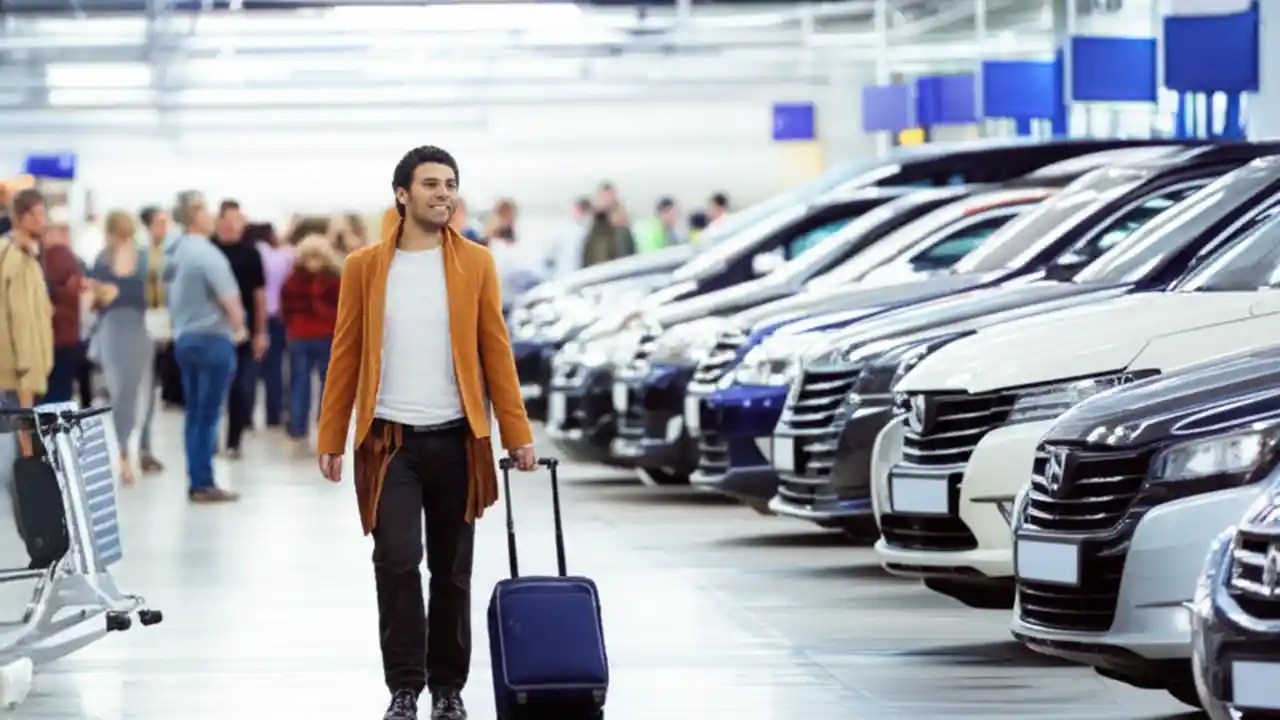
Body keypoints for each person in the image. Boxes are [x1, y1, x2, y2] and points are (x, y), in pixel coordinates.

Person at [315, 146, 538, 720]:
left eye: (451, 184)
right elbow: (345, 354)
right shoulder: (365, 267)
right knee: (395, 560)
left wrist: (516, 432)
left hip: (458, 440)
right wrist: (330, 435)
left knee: (452, 570)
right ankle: (404, 687)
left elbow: (497, 352)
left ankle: (448, 688)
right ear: (403, 194)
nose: (444, 193)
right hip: (389, 442)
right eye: (432, 184)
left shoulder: (477, 264)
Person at [164, 190, 244, 503]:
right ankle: (204, 482)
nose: (211, 216)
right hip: (213, 340)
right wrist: (240, 328)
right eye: (207, 211)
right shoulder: (208, 255)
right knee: (209, 414)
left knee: (194, 414)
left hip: (184, 338)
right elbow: (230, 302)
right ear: (196, 214)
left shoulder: (176, 253)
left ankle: (196, 477)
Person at [89, 211, 152, 485]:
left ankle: (138, 449)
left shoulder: (144, 259)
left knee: (140, 391)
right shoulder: (102, 260)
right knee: (122, 391)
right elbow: (95, 301)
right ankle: (124, 451)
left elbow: (152, 296)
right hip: (114, 329)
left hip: (138, 328)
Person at [0, 189, 54, 463]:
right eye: (39, 214)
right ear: (22, 217)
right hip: (14, 373)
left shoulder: (27, 256)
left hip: (20, 371)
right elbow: (19, 318)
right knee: (12, 451)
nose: (44, 220)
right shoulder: (15, 257)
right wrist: (26, 372)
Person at [212, 200, 267, 457]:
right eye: (231, 218)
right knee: (213, 389)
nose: (236, 224)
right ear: (220, 220)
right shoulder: (209, 249)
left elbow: (259, 295)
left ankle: (234, 441)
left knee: (241, 387)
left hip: (243, 331)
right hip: (213, 329)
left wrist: (261, 331)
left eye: (239, 219)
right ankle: (211, 440)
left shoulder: (250, 252)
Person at [280, 234, 340, 443]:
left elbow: (285, 308)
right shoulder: (334, 278)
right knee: (329, 383)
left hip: (299, 335)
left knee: (299, 381)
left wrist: (292, 326)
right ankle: (326, 424)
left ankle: (297, 426)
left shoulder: (292, 279)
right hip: (327, 334)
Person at [249, 222, 293, 429]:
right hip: (276, 316)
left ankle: (246, 416)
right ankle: (273, 415)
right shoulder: (281, 256)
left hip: (251, 316)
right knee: (274, 370)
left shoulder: (250, 254)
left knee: (249, 370)